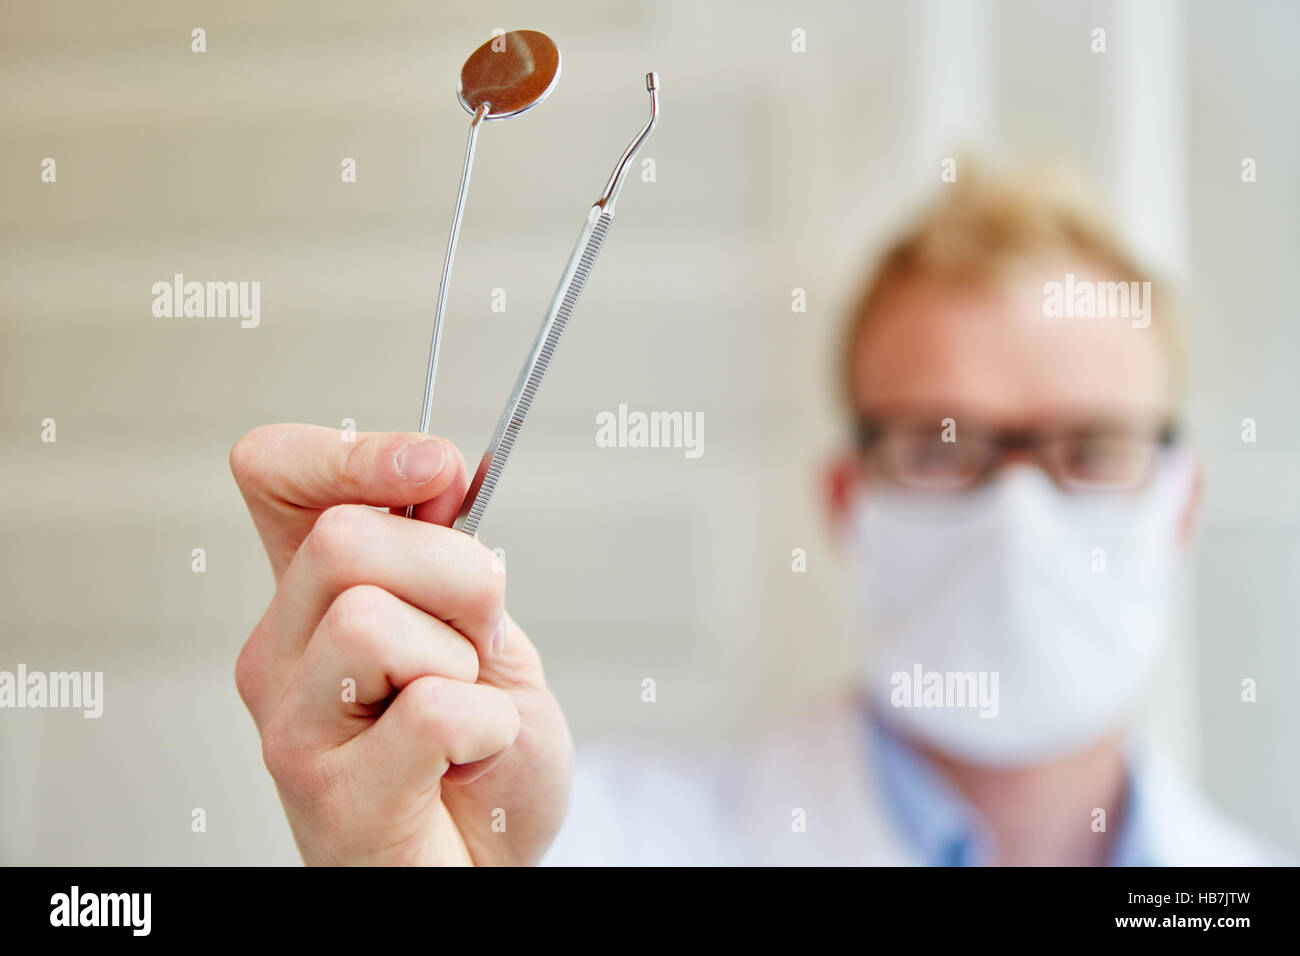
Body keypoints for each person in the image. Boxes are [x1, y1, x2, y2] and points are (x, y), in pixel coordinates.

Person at [229, 164, 1277, 866]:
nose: (1018, 515)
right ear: (844, 499)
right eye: (939, 444)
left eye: (1091, 449)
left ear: (1179, 504)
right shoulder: (569, 841)